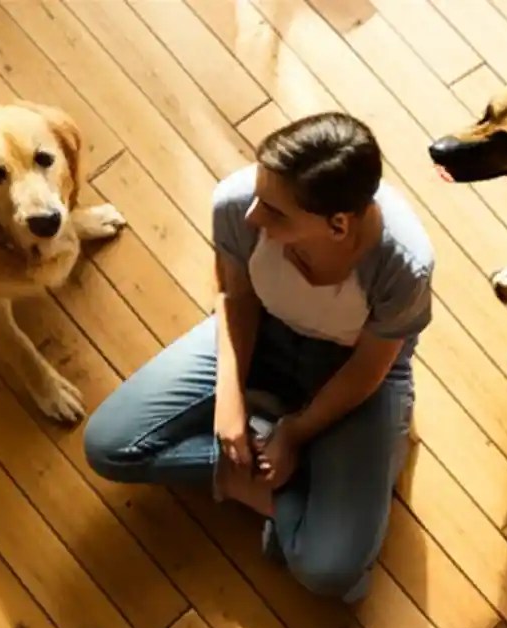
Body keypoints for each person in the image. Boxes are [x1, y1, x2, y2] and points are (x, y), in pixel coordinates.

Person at [83, 112, 434, 602]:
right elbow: (235, 299)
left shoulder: (403, 265)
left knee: (329, 574)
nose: (252, 216)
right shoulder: (237, 201)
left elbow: (369, 368)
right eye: (258, 192)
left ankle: (294, 462)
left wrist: (295, 432)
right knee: (109, 445)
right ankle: (306, 492)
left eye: (274, 211)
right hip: (263, 330)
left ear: (337, 225)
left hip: (349, 368)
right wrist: (229, 403)